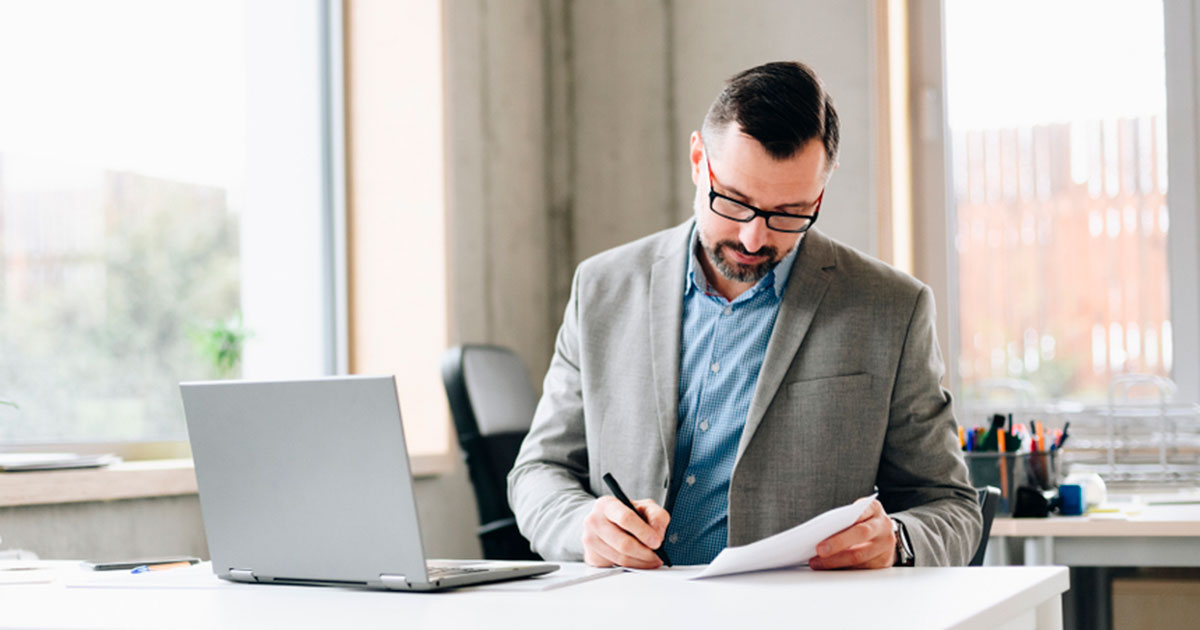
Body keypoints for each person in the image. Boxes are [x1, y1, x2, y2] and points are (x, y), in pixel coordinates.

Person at [508, 61, 981, 569]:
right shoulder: (603, 289)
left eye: (789, 212)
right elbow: (539, 470)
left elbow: (951, 505)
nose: (755, 238)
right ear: (698, 160)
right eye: (733, 202)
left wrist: (898, 539)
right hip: (632, 611)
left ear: (820, 193)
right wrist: (583, 528)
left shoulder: (890, 307)